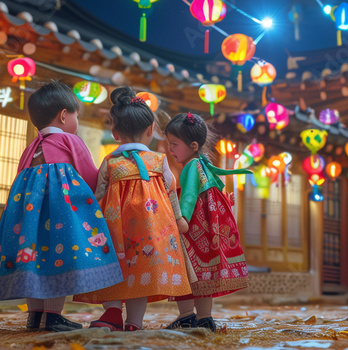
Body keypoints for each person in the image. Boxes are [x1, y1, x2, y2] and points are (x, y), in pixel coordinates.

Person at [0, 80, 122, 332]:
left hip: (28, 218)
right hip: (60, 214)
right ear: (64, 115)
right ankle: (53, 316)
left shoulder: (31, 147)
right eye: (76, 115)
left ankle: (35, 315)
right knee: (58, 256)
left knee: (33, 258)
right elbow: (88, 176)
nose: (76, 120)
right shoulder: (70, 141)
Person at [73, 88, 193, 331]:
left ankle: (112, 312)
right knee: (142, 272)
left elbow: (98, 194)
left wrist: (87, 219)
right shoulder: (159, 161)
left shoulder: (110, 161)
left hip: (114, 227)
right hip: (151, 228)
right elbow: (170, 190)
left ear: (115, 133)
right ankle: (134, 322)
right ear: (150, 130)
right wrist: (178, 218)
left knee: (113, 269)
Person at [164, 112, 252, 332]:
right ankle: (205, 318)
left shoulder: (191, 167)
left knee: (185, 271)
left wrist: (182, 218)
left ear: (193, 145)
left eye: (174, 144)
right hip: (208, 228)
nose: (170, 149)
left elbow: (189, 195)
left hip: (193, 226)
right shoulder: (205, 163)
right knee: (203, 276)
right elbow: (217, 191)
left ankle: (186, 316)